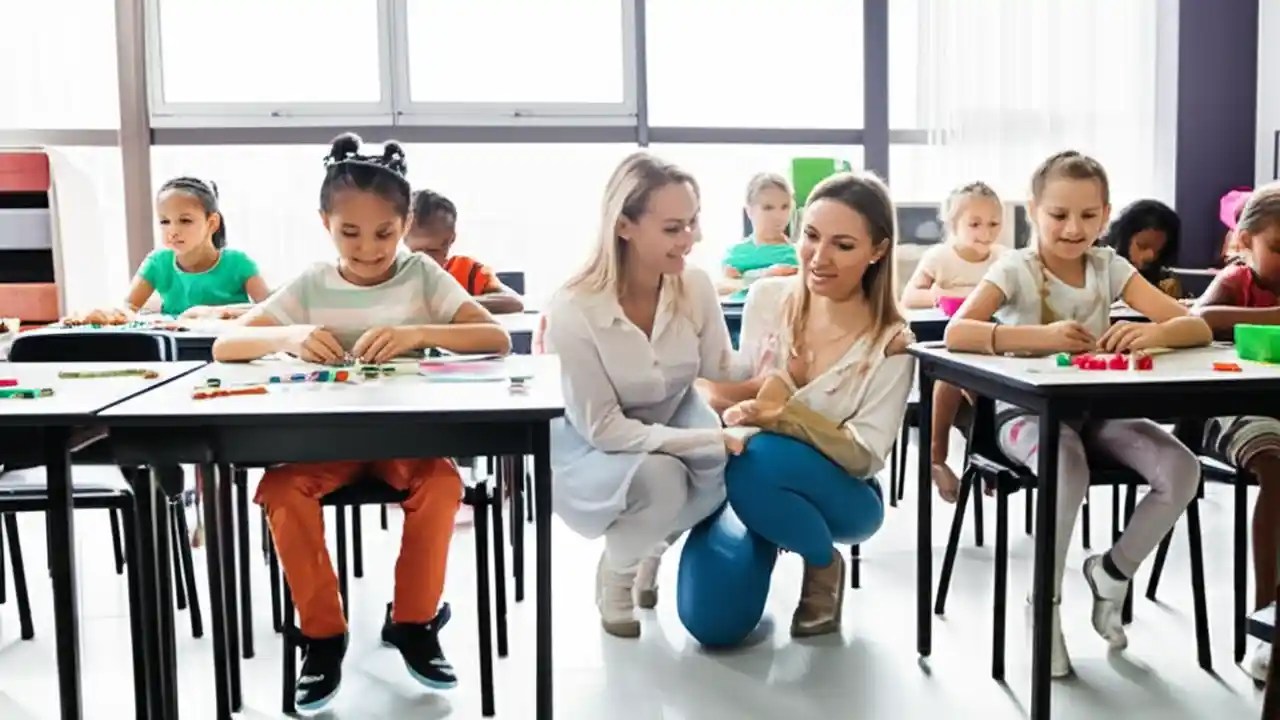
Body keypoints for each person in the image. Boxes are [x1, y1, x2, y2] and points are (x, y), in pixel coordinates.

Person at [213, 133, 511, 712]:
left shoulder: (422, 276)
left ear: (405, 223)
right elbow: (228, 345)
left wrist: (421, 331)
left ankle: (414, 622)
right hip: (328, 443)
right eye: (350, 232)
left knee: (443, 483)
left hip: (407, 438)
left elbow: (495, 337)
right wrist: (291, 335)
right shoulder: (312, 282)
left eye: (385, 233)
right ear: (325, 222)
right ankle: (322, 636)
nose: (369, 248)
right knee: (279, 488)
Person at [945, 150, 1211, 677]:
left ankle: (1112, 572)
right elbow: (957, 333)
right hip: (1023, 419)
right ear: (1034, 211)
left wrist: (1156, 332)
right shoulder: (1015, 268)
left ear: (1106, 214)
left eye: (1089, 216)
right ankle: (1042, 607)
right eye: (1059, 215)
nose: (1074, 228)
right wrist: (1031, 338)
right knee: (1067, 469)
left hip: (1096, 415)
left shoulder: (1108, 266)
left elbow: (1195, 327)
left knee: (1183, 469)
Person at [680, 171, 914, 645]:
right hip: (752, 476)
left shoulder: (891, 342)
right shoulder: (768, 297)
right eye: (811, 236)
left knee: (760, 455)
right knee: (711, 624)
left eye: (843, 245)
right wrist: (688, 384)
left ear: (878, 251)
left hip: (844, 497)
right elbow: (732, 384)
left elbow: (865, 455)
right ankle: (773, 516)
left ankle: (823, 564)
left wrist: (783, 416)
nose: (818, 257)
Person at [541, 152, 740, 638]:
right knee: (663, 475)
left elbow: (722, 366)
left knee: (723, 472)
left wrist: (780, 347)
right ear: (624, 226)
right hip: (592, 442)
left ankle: (648, 546)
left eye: (693, 223)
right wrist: (705, 441)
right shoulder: (574, 307)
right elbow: (604, 427)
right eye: (674, 228)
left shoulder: (693, 284)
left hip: (676, 421)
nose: (690, 239)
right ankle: (618, 573)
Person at [1192, 181, 1280, 684]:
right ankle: (1265, 622)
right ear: (1245, 243)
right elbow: (1200, 319)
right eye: (1279, 249)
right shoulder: (1235, 282)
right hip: (1231, 413)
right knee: (1275, 467)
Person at [901, 181, 1006, 501]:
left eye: (993, 224)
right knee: (952, 376)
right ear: (953, 225)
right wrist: (937, 294)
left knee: (984, 382)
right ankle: (938, 458)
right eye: (974, 224)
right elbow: (909, 296)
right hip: (951, 352)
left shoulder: (1004, 259)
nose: (985, 232)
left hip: (996, 352)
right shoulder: (940, 257)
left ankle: (992, 456)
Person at [65, 177, 269, 325]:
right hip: (177, 350)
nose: (172, 231)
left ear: (212, 222)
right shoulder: (158, 262)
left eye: (185, 221)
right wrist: (100, 315)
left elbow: (274, 311)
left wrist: (218, 312)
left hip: (230, 349)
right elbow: (128, 310)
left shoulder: (239, 263)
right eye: (164, 221)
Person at [403, 189, 525, 314]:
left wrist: (455, 305)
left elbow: (514, 302)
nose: (424, 260)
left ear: (450, 241)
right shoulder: (394, 274)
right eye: (416, 252)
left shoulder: (467, 271)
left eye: (432, 251)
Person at [718, 172, 799, 301]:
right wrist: (765, 276)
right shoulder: (736, 253)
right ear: (749, 211)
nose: (779, 216)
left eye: (785, 207)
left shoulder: (799, 253)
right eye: (768, 208)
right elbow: (722, 288)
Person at [1102, 199, 1183, 298]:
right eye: (1142, 246)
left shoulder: (1163, 278)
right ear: (1124, 238)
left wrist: (1173, 297)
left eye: (1158, 251)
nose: (1150, 256)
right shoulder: (1098, 263)